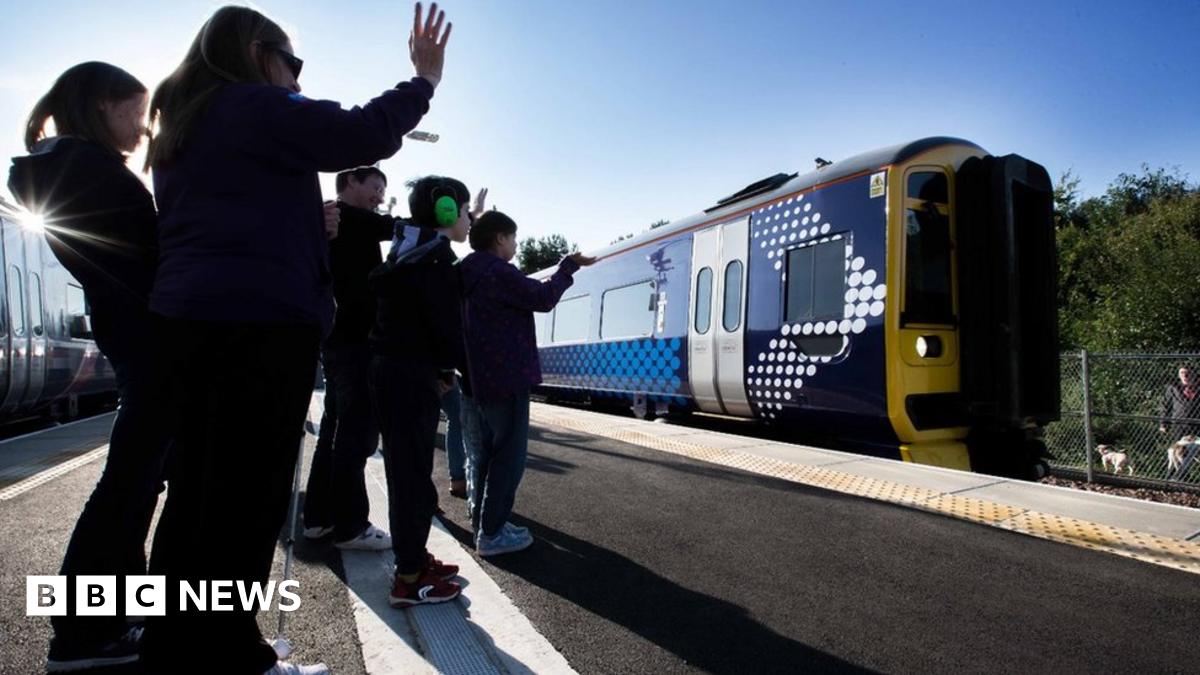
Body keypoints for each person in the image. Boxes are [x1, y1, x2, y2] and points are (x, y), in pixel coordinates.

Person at [140, 4, 450, 674]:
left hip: (186, 323)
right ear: (258, 52)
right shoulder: (252, 105)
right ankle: (234, 654)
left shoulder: (183, 126)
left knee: (196, 492)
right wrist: (422, 80)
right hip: (258, 325)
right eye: (294, 64)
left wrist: (306, 225)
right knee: (248, 496)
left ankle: (174, 645)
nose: (297, 81)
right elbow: (359, 131)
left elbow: (229, 218)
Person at [8, 61, 173, 673]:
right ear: (104, 104)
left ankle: (109, 622)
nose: (143, 128)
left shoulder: (61, 167)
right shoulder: (85, 169)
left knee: (134, 484)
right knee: (127, 488)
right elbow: (147, 253)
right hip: (150, 340)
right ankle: (82, 634)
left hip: (134, 338)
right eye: (136, 111)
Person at [459, 211, 595, 556]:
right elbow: (543, 298)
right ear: (500, 238)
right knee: (509, 457)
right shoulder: (498, 272)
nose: (516, 245)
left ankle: (485, 523)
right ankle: (491, 534)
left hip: (476, 379)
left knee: (485, 455)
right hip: (507, 377)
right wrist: (567, 267)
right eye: (514, 238)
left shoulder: (463, 273)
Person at [368, 175, 471, 606]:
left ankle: (414, 557)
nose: (467, 219)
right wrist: (461, 370)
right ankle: (410, 577)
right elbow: (447, 328)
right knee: (412, 477)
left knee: (407, 472)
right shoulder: (435, 261)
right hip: (411, 378)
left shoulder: (411, 250)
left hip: (397, 372)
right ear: (447, 211)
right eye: (463, 210)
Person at [302, 166, 395, 550]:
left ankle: (319, 518)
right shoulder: (346, 217)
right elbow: (398, 228)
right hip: (356, 340)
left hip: (338, 339)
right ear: (351, 182)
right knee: (356, 434)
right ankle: (351, 525)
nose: (378, 196)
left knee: (335, 432)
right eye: (375, 187)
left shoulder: (340, 220)